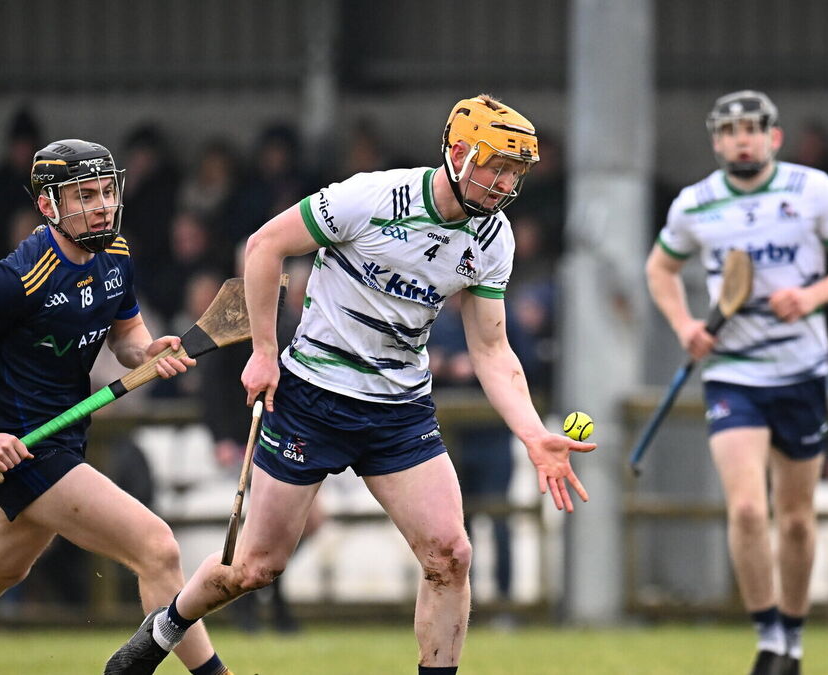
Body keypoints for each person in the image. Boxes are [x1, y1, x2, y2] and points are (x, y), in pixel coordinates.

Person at [105, 94, 595, 675]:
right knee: (255, 568)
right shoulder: (371, 197)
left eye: (517, 173)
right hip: (312, 401)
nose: (506, 184)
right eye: (498, 167)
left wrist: (533, 434)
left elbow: (492, 349)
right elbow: (265, 246)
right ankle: (167, 627)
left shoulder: (492, 239)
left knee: (450, 555)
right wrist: (264, 352)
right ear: (459, 153)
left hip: (400, 411)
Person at [0, 139, 230, 675]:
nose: (101, 206)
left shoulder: (116, 256)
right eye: (85, 196)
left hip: (66, 437)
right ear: (49, 206)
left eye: (106, 193)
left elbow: (126, 334)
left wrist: (147, 349)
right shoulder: (15, 277)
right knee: (157, 547)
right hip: (26, 449)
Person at [645, 91, 828, 675]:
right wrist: (685, 325)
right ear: (716, 142)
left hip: (801, 372)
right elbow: (660, 268)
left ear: (774, 137)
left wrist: (813, 296)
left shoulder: (813, 191)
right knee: (748, 508)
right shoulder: (695, 205)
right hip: (733, 374)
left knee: (795, 517)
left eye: (753, 129)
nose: (742, 139)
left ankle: (794, 639)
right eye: (730, 131)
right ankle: (768, 635)